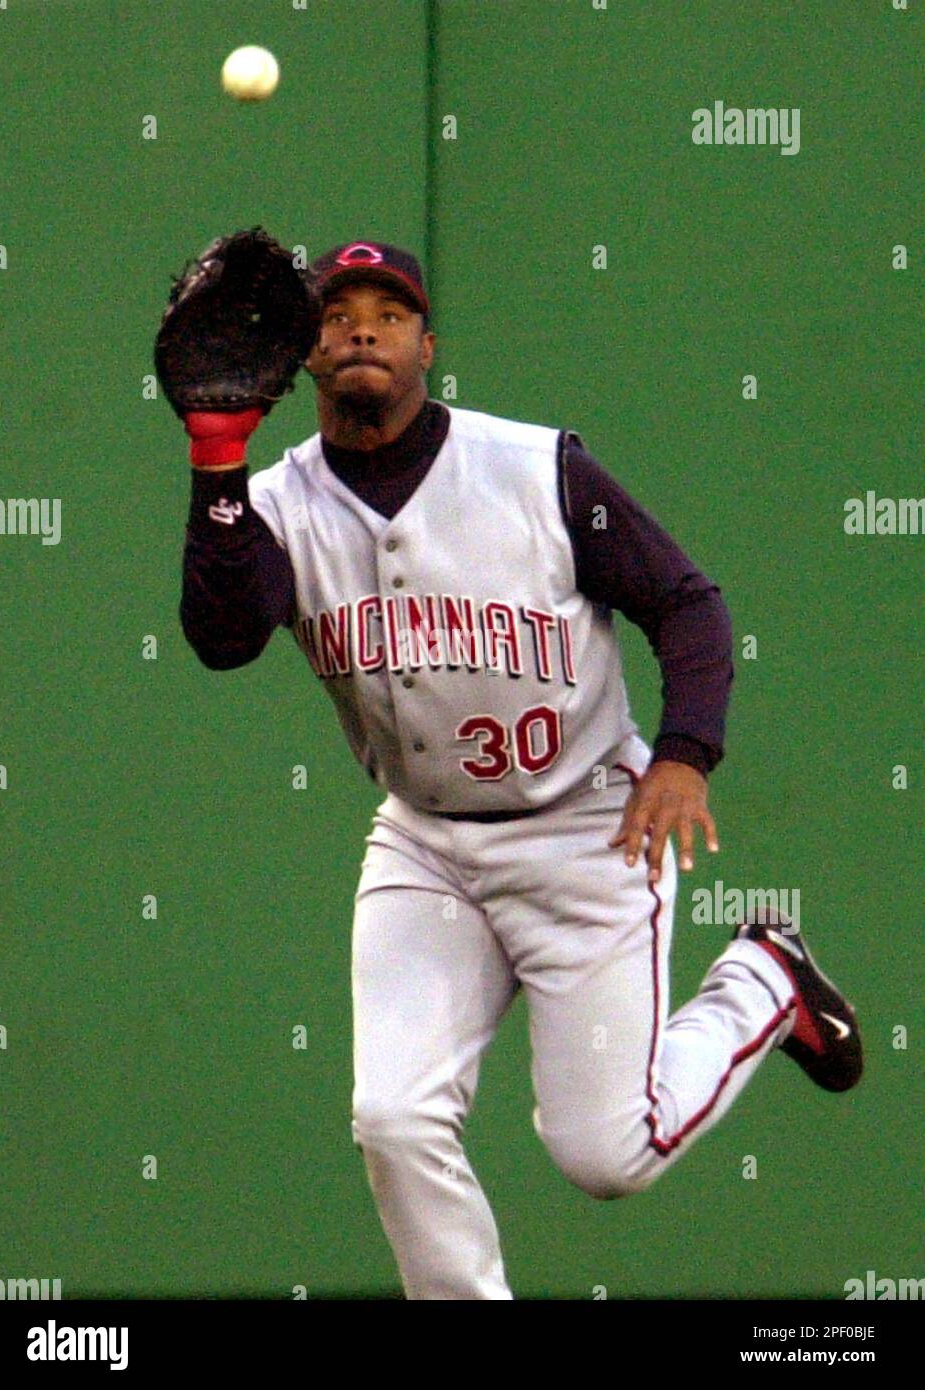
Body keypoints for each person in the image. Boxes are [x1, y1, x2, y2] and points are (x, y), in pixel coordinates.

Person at [178, 239, 862, 1300]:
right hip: (427, 844)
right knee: (393, 1118)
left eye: (391, 312)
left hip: (587, 828)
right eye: (341, 310)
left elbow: (686, 602)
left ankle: (764, 979)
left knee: (605, 1155)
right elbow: (223, 636)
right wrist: (215, 458)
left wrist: (685, 755)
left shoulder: (536, 470)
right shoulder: (274, 503)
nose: (365, 325)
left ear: (427, 346)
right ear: (303, 353)